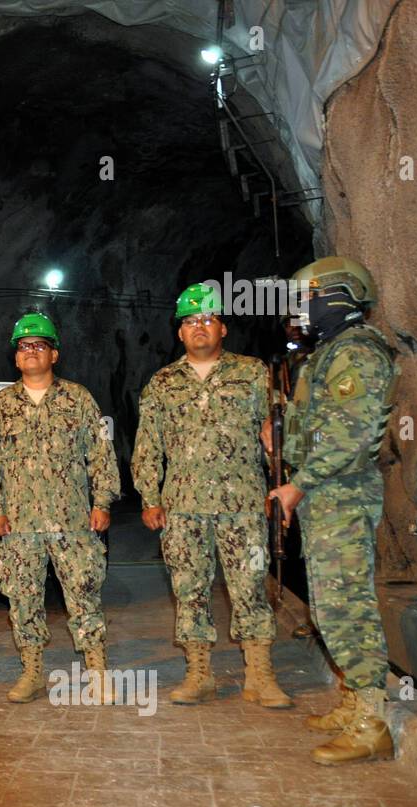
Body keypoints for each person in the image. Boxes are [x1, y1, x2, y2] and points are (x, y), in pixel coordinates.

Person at [132, 283, 291, 707]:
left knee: (250, 587)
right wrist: (150, 497)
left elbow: (281, 433)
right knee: (189, 589)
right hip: (183, 508)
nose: (198, 327)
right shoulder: (163, 383)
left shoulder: (254, 373)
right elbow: (148, 445)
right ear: (179, 333)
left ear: (222, 328)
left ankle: (260, 674)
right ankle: (199, 672)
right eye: (189, 322)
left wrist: (280, 472)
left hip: (243, 503)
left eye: (206, 319)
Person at [268, 256, 398, 765]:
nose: (301, 310)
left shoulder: (358, 353)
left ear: (338, 297)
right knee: (327, 606)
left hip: (339, 494)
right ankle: (353, 703)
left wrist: (299, 484)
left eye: (307, 299)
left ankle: (372, 723)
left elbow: (351, 434)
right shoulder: (328, 354)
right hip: (326, 497)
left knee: (349, 608)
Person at [0, 312, 120, 703]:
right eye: (24, 347)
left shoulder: (78, 399)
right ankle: (33, 672)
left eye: (39, 345)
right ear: (16, 358)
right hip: (18, 526)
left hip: (72, 520)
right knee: (23, 600)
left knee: (84, 594)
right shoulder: (1, 406)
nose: (31, 352)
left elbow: (101, 457)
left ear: (54, 354)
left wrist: (102, 501)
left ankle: (97, 671)